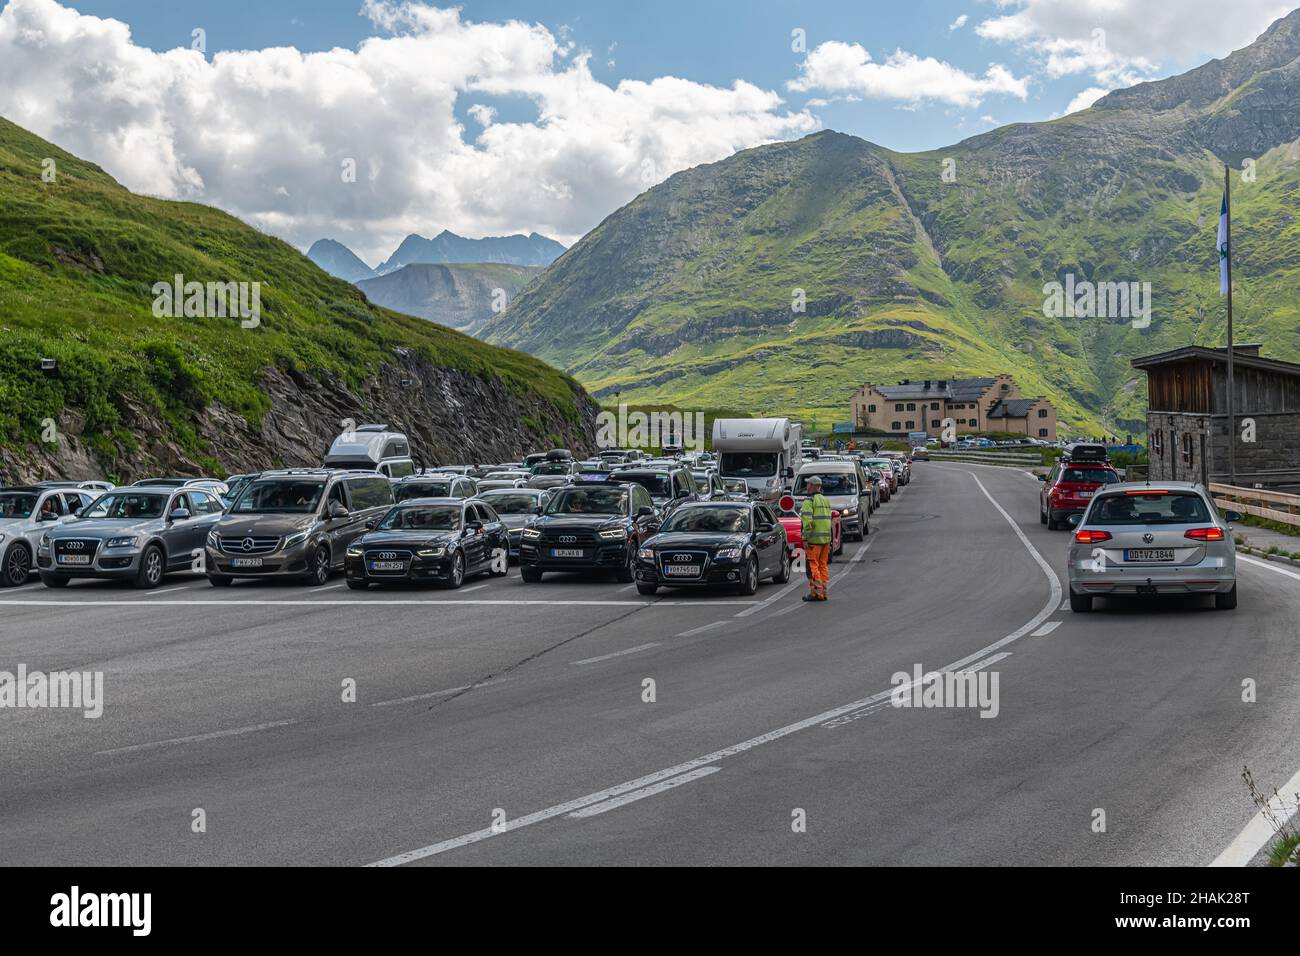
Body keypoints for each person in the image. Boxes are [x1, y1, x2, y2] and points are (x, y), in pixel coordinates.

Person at [800, 475, 833, 602]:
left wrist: (804, 539)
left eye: (808, 484)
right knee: (823, 566)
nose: (807, 486)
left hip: (814, 541)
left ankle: (816, 594)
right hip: (825, 540)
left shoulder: (809, 501)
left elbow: (807, 523)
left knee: (813, 567)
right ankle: (822, 592)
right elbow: (828, 521)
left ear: (813, 486)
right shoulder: (825, 500)